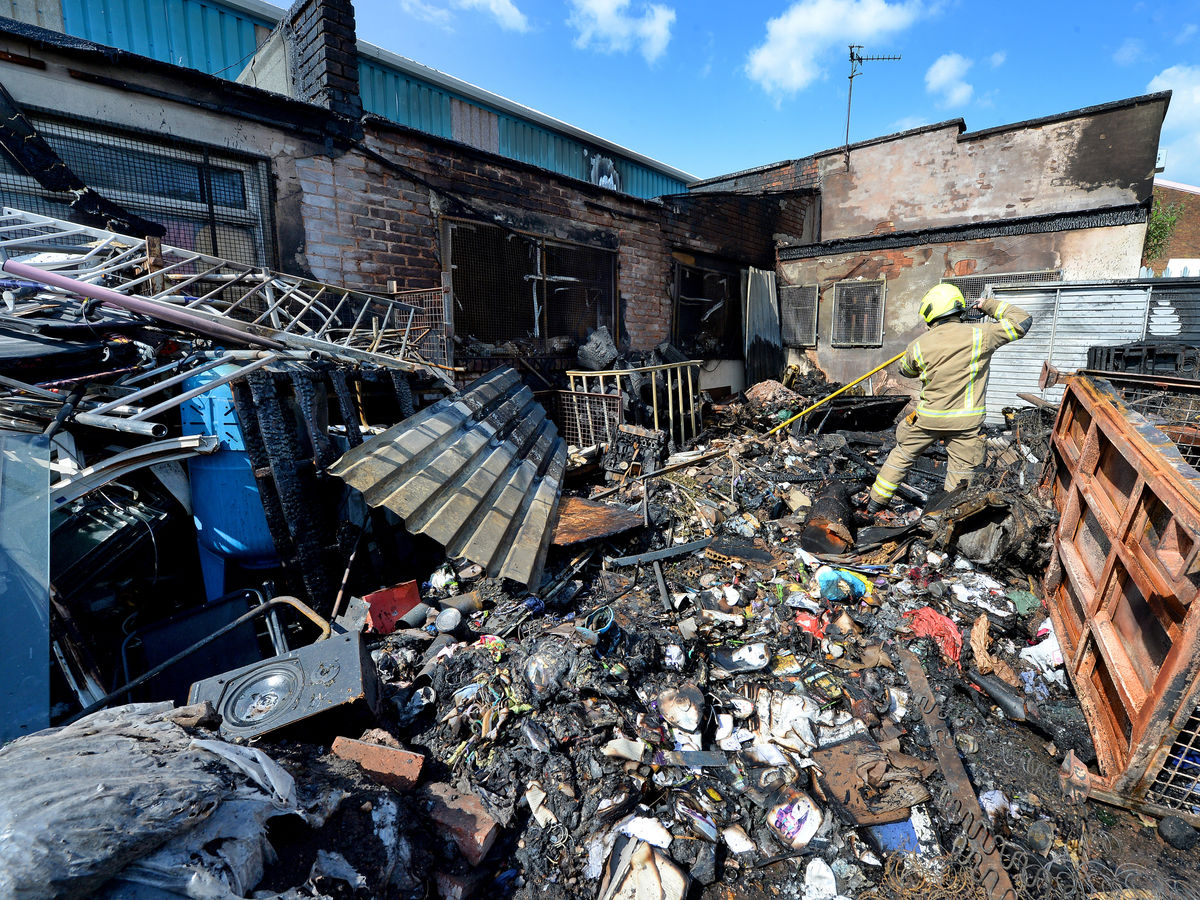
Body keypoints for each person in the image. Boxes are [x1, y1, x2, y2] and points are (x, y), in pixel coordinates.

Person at [866, 283, 1033, 513]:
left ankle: (875, 504)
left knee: (901, 455)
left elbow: (906, 370)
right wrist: (988, 305)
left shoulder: (918, 345)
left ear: (932, 313)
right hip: (965, 423)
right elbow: (1022, 321)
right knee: (961, 476)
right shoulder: (981, 334)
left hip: (927, 418)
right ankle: (947, 518)